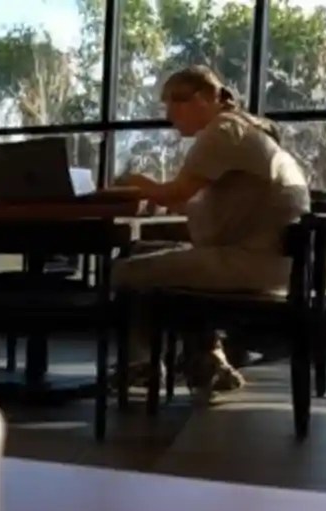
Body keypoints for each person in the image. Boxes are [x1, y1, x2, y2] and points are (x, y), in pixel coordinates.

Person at [111, 65, 310, 400]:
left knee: (122, 270)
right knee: (149, 254)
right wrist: (162, 197)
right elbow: (213, 206)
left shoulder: (223, 130)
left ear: (205, 98)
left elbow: (176, 194)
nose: (169, 112)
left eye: (176, 100)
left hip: (250, 263)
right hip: (274, 261)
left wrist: (134, 183)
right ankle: (207, 360)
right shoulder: (245, 129)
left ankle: (141, 365)